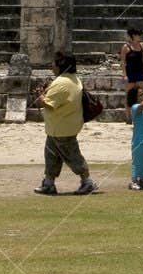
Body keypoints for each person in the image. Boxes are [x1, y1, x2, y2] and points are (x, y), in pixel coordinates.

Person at [32, 51, 97, 195]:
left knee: (73, 157)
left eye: (54, 63)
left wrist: (40, 97)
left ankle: (87, 182)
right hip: (59, 127)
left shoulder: (61, 83)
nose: (52, 66)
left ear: (60, 65)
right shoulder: (73, 79)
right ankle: (49, 183)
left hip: (62, 128)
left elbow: (49, 104)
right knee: (51, 156)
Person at [120, 28, 143, 110]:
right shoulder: (126, 47)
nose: (140, 36)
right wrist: (124, 75)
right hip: (130, 73)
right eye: (139, 35)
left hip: (140, 73)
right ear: (134, 35)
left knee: (141, 94)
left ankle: (140, 115)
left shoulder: (141, 45)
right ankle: (128, 117)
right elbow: (123, 62)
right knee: (129, 95)